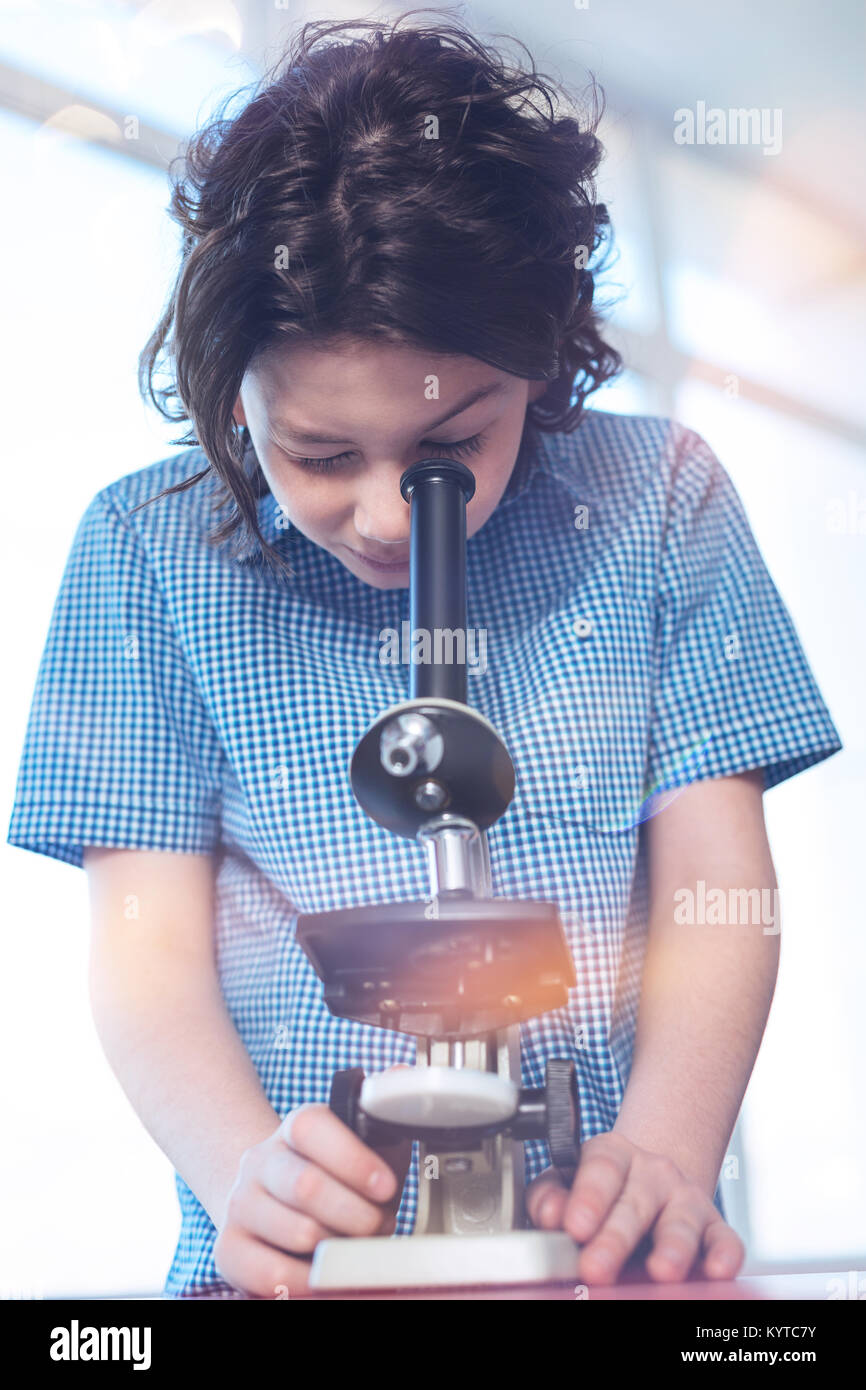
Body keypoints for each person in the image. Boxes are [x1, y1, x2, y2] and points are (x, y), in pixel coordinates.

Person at [7, 13, 842, 1299]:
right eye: (321, 457)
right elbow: (143, 943)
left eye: (452, 445)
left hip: (603, 1257)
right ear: (237, 397)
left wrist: (668, 1150)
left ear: (541, 359)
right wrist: (243, 1173)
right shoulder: (144, 549)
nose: (392, 515)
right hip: (292, 1271)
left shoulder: (660, 496)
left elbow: (714, 879)